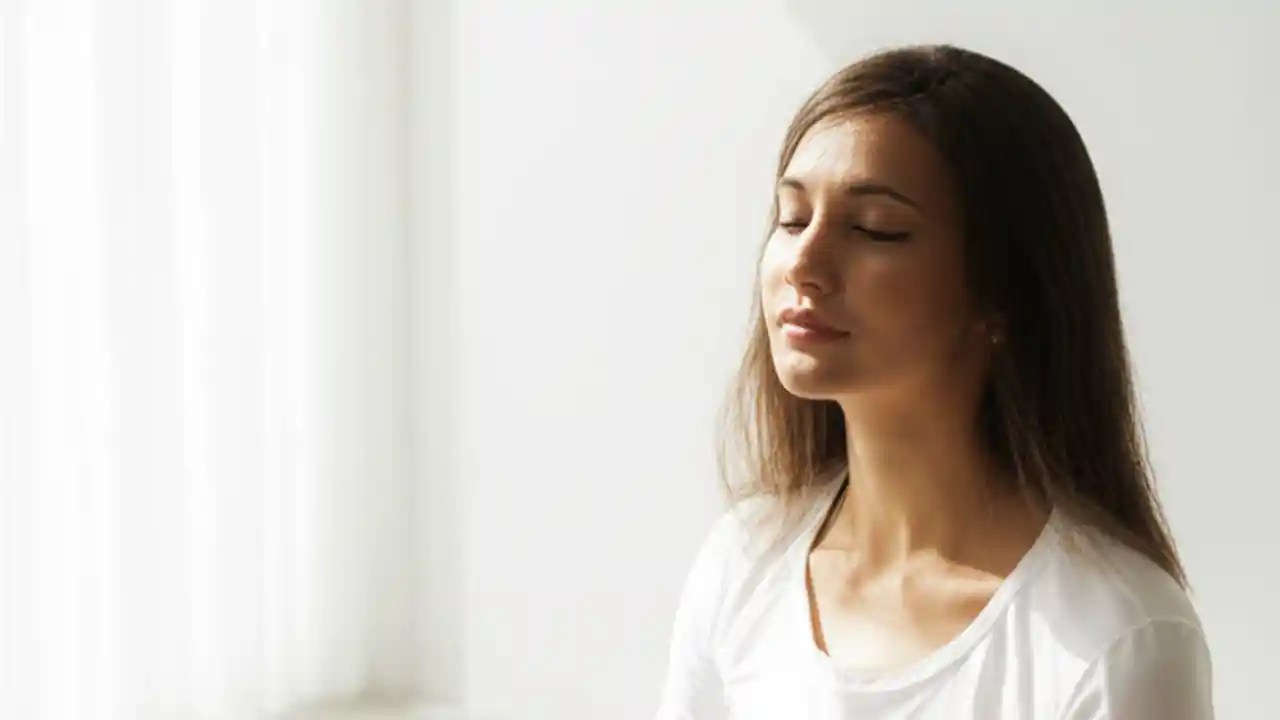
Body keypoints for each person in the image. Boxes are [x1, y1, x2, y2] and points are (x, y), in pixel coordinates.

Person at [655, 44, 1213, 719]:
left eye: (875, 229)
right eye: (792, 218)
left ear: (1003, 294)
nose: (804, 263)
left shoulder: (1118, 637)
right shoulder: (743, 564)